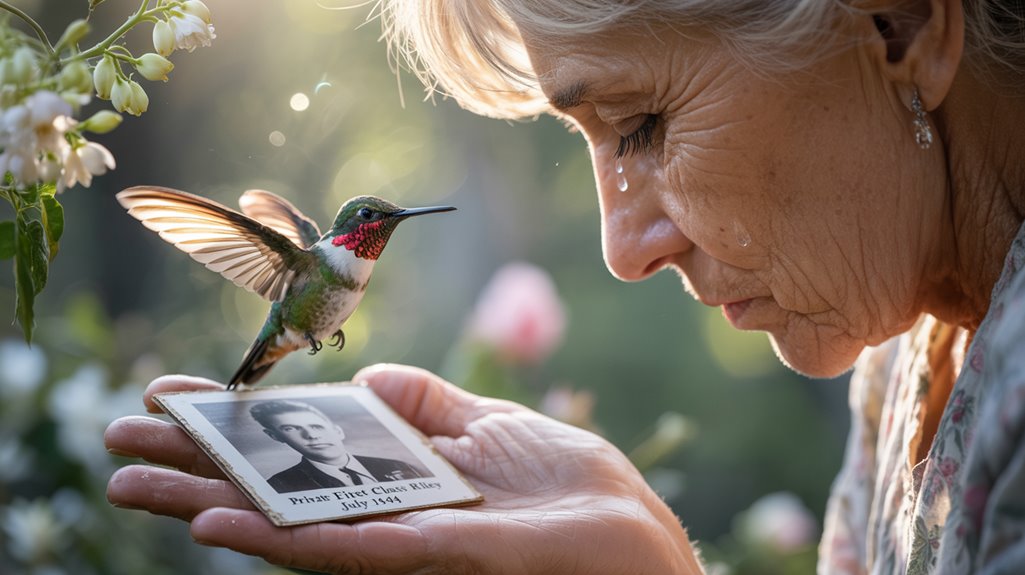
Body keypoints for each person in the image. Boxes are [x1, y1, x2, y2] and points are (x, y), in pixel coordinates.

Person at [102, 0, 1025, 572]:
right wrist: (644, 557)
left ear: (899, 26)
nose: (623, 251)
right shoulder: (910, 349)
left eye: (641, 122)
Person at [247, 399, 427, 493]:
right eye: (291, 429)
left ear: (338, 431)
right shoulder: (281, 485)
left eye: (317, 426)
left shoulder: (397, 466)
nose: (312, 435)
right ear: (275, 436)